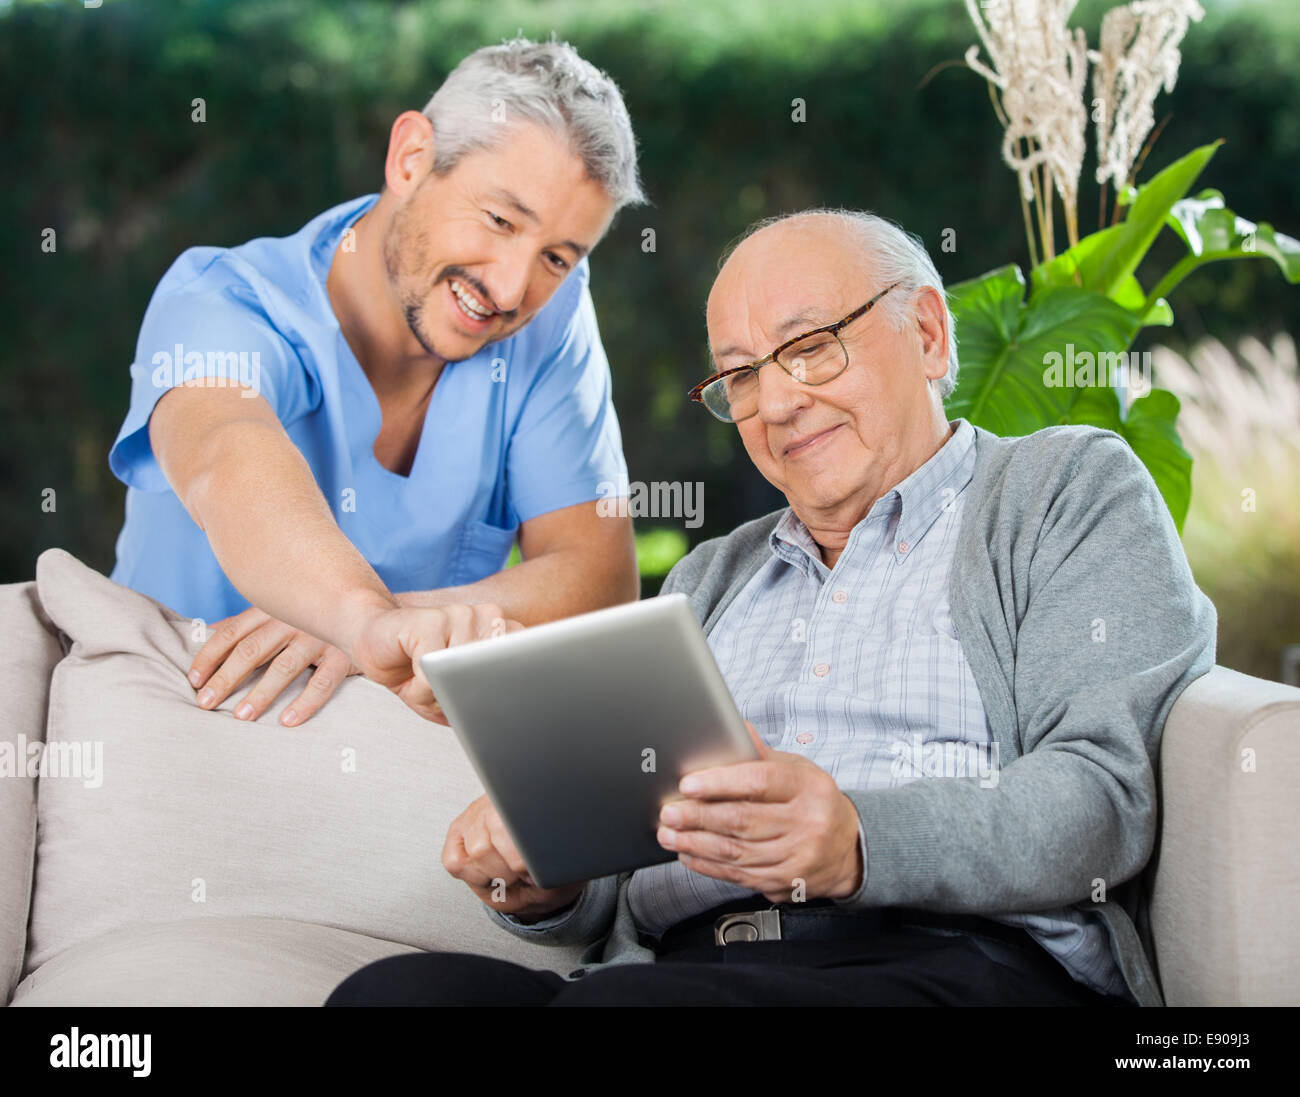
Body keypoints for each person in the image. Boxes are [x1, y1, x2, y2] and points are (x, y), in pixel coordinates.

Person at [326, 208, 1217, 1007]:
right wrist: (543, 880)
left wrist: (859, 838)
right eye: (741, 376)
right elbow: (624, 876)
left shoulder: (1062, 491)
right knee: (391, 995)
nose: (779, 401)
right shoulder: (712, 578)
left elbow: (1102, 799)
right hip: (687, 969)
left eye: (812, 344)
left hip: (957, 963)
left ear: (930, 335)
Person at [106, 38, 642, 726]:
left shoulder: (552, 316)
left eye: (558, 257)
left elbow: (599, 581)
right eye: (500, 220)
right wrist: (357, 616)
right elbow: (226, 460)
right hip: (184, 720)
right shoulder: (219, 302)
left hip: (395, 765)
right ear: (411, 158)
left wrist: (386, 629)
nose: (511, 287)